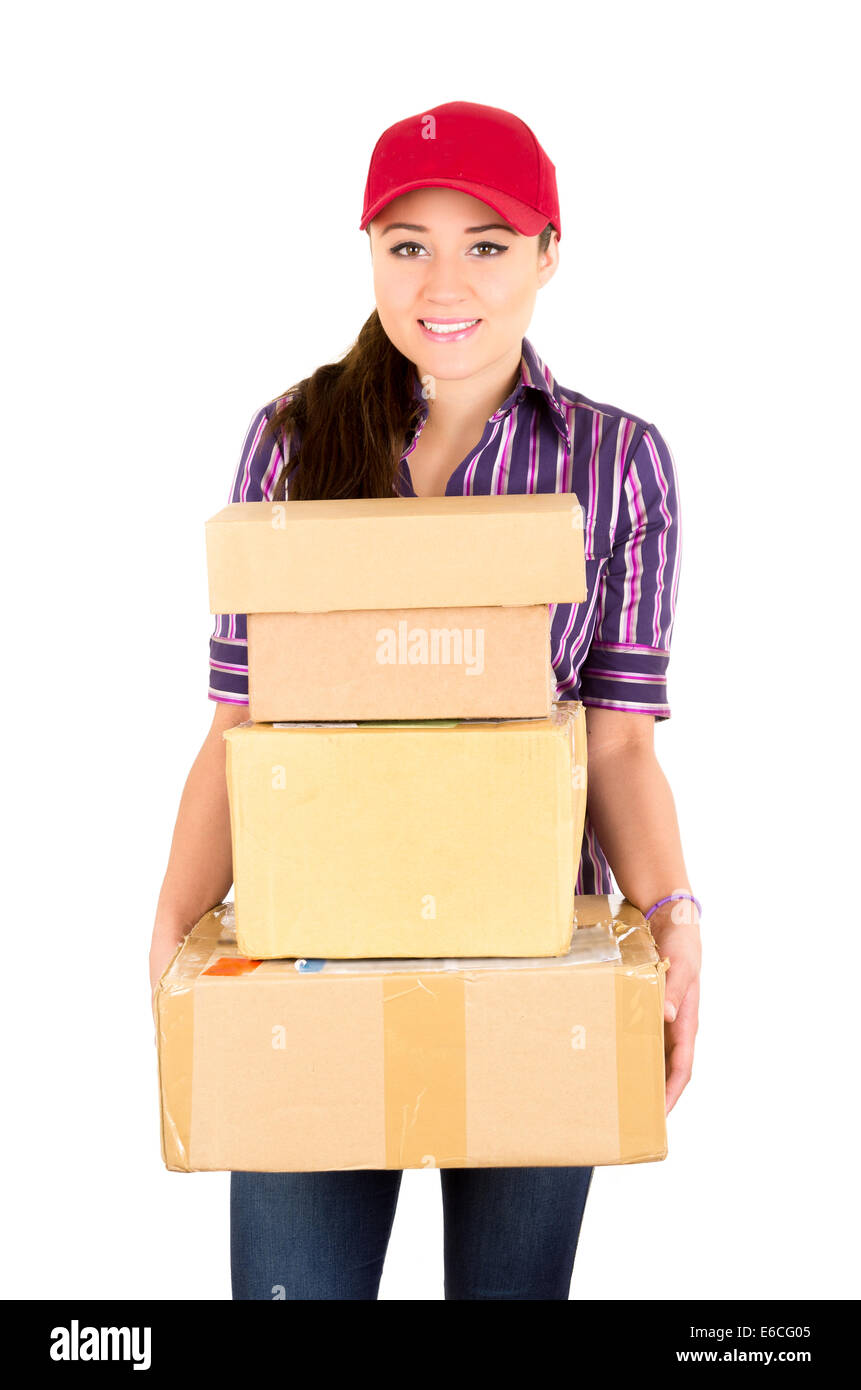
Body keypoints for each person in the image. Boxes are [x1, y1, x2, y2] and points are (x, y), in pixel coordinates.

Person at [149, 100, 702, 1301]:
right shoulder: (295, 441)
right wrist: (172, 939)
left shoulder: (618, 464)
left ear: (551, 254)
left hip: (532, 961)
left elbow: (617, 753)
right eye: (407, 243)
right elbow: (240, 731)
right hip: (314, 962)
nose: (443, 280)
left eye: (487, 245)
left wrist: (676, 917)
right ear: (369, 255)